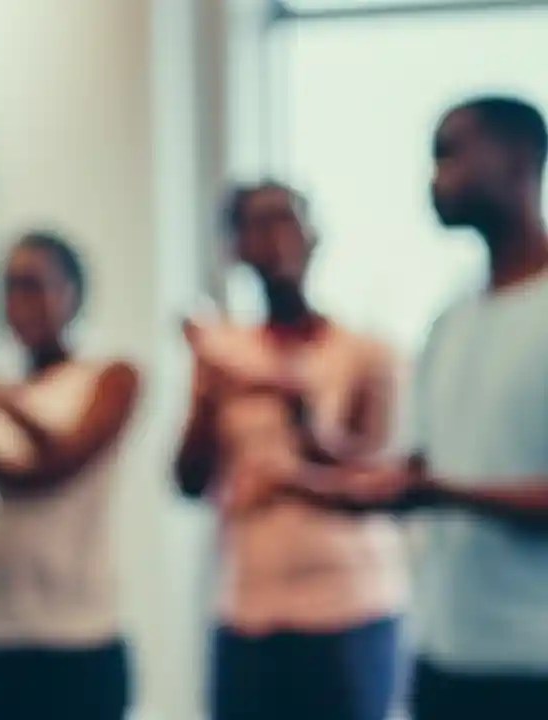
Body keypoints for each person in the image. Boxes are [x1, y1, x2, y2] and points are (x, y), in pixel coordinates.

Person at [293, 96, 548, 720]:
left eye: (449, 153)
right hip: (444, 656)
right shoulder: (451, 318)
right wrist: (324, 468)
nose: (434, 177)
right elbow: (419, 466)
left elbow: (439, 484)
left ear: (519, 160)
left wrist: (441, 492)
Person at [175, 182, 406, 720]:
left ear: (314, 235)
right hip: (248, 607)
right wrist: (209, 391)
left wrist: (292, 407)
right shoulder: (223, 354)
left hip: (349, 606)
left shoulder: (365, 351)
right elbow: (189, 480)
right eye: (256, 224)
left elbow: (370, 474)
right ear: (234, 247)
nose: (273, 238)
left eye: (286, 220)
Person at [0, 231, 140, 720]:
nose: (20, 302)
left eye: (34, 285)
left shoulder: (111, 378)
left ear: (72, 292)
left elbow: (60, 466)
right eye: (10, 287)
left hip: (79, 634)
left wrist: (8, 405)